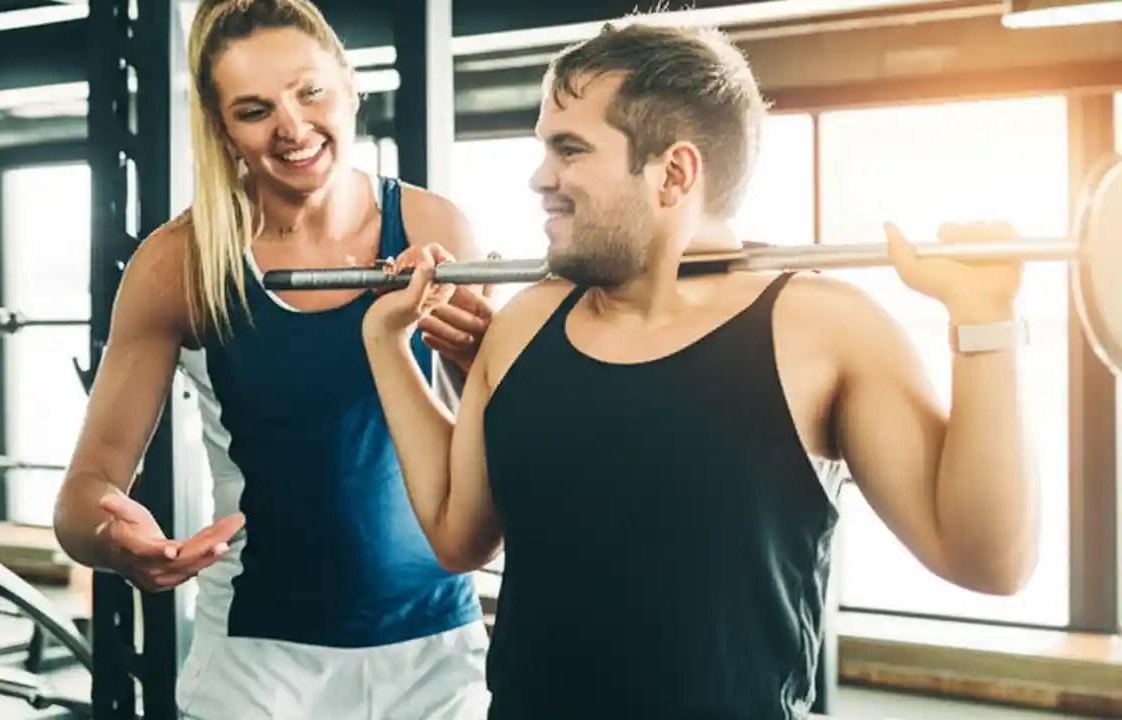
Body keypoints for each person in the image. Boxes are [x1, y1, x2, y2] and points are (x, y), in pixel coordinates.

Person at [361, 20, 1039, 720]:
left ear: (674, 172)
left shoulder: (821, 329)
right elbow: (456, 536)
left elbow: (987, 561)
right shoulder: (526, 324)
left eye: (570, 149)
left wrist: (985, 324)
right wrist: (389, 344)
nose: (541, 177)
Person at [52, 1, 496, 718]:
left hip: (434, 654)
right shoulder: (179, 265)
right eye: (254, 109)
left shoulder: (435, 226)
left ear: (349, 87)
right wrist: (114, 540)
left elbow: (489, 454)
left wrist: (483, 363)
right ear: (223, 128)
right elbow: (81, 495)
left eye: (310, 91)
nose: (292, 126)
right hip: (258, 664)